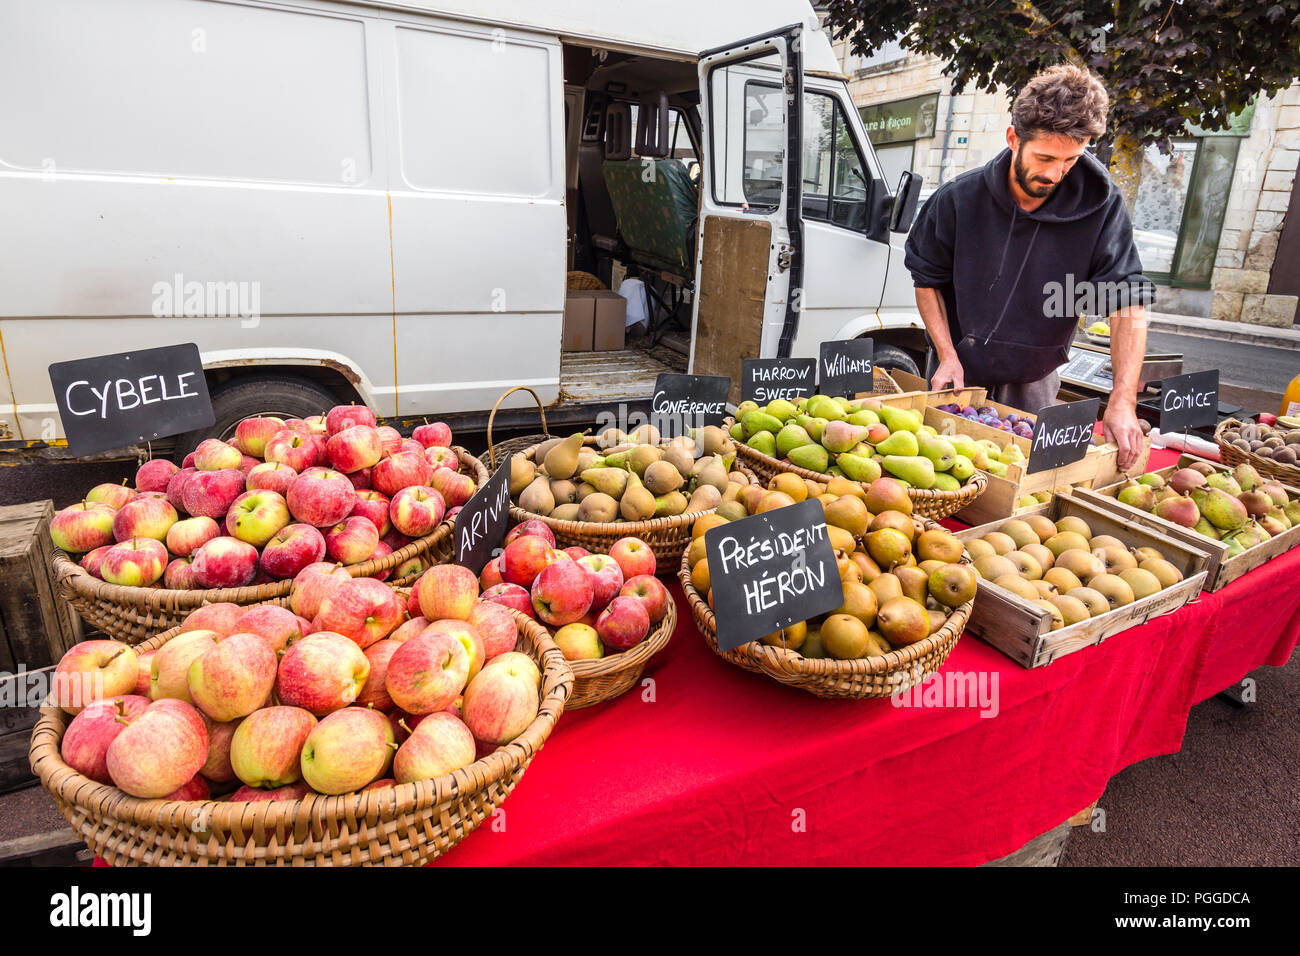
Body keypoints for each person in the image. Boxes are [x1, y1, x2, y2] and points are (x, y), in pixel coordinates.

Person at [905, 65, 1154, 469]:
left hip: (1037, 380)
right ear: (1012, 138)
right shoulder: (958, 200)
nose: (1055, 174)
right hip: (957, 372)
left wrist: (1122, 399)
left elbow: (1127, 301)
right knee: (944, 473)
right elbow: (927, 280)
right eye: (1045, 157)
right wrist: (946, 353)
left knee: (1028, 484)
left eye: (1070, 160)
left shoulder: (1102, 206)